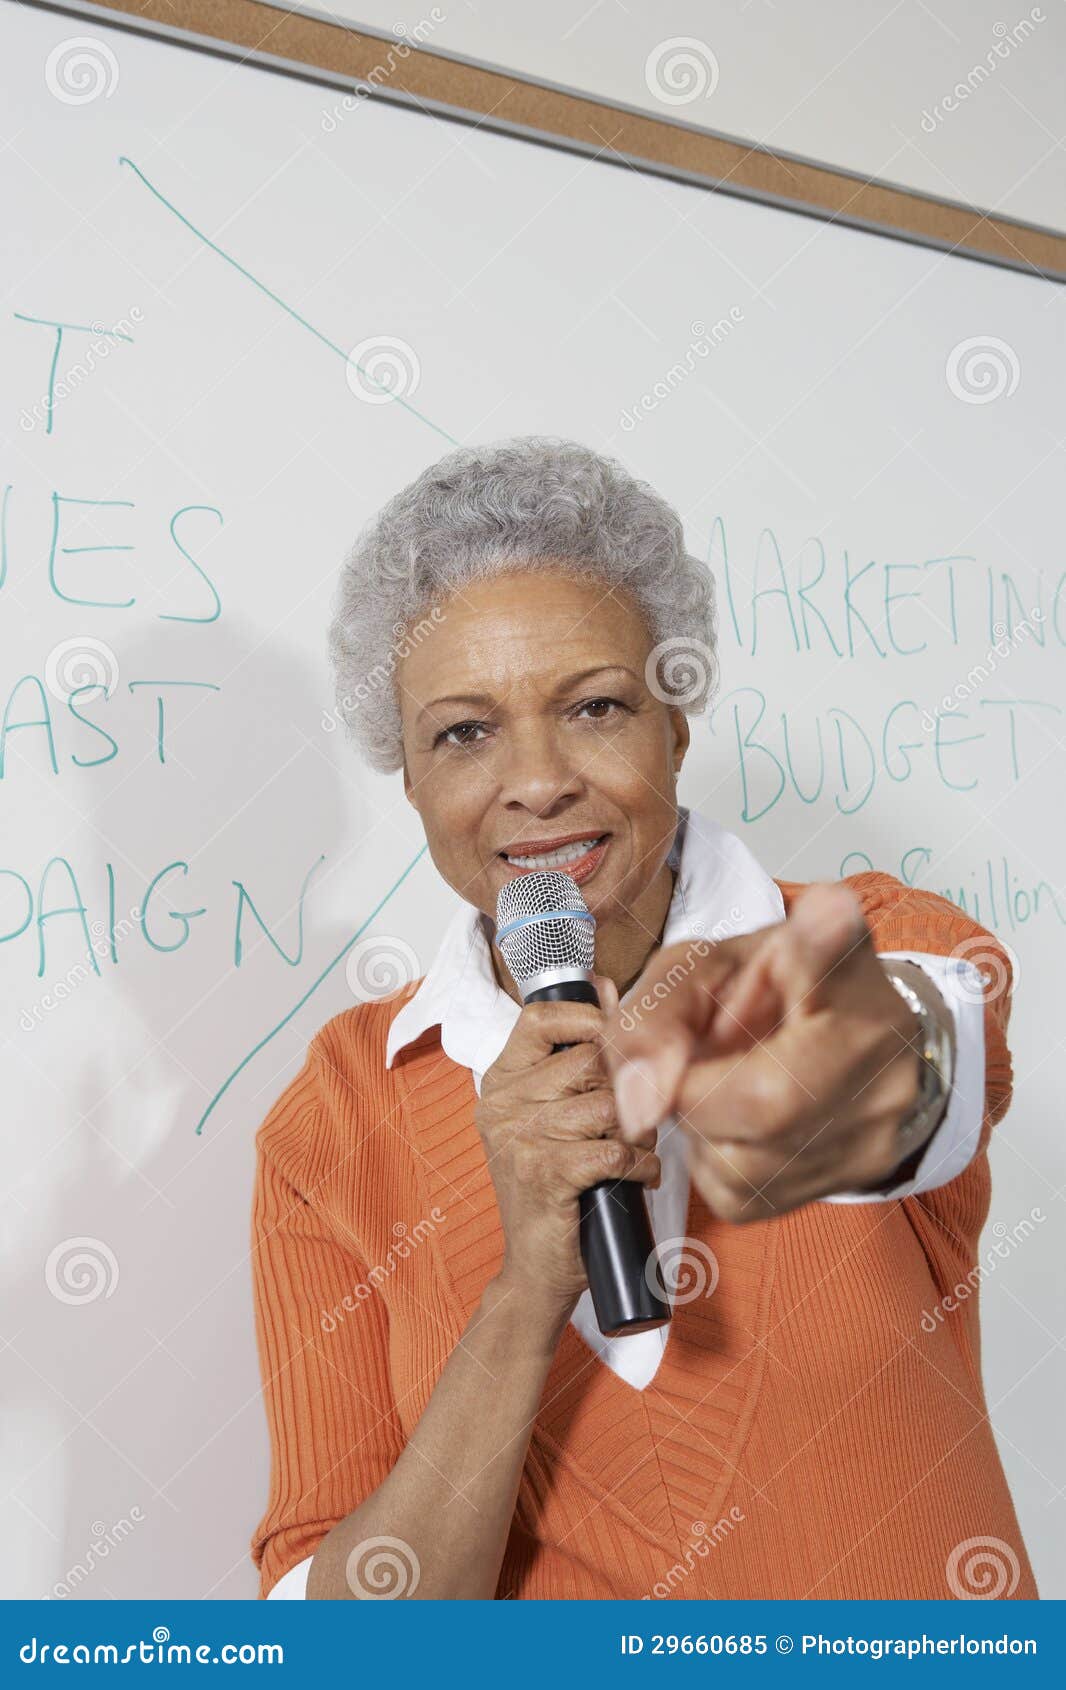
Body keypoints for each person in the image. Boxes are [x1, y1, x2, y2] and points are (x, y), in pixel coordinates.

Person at [249, 437, 1035, 1601]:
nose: (537, 780)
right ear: (407, 777)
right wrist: (524, 1291)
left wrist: (679, 1024)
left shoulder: (863, 936)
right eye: (464, 732)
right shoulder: (338, 1115)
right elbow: (345, 1646)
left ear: (676, 722)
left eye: (596, 707)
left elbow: (905, 1064)